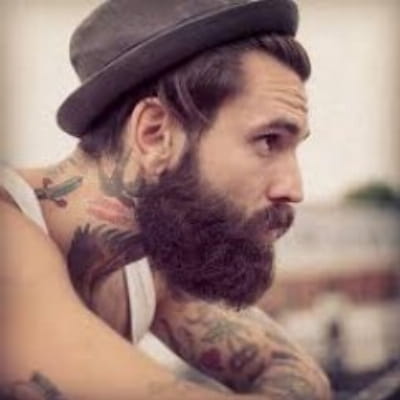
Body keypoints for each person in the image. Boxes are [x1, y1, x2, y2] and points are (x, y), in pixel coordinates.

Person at [0, 0, 332, 399]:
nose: (294, 189)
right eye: (268, 141)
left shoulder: (148, 265)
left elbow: (295, 373)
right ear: (155, 134)